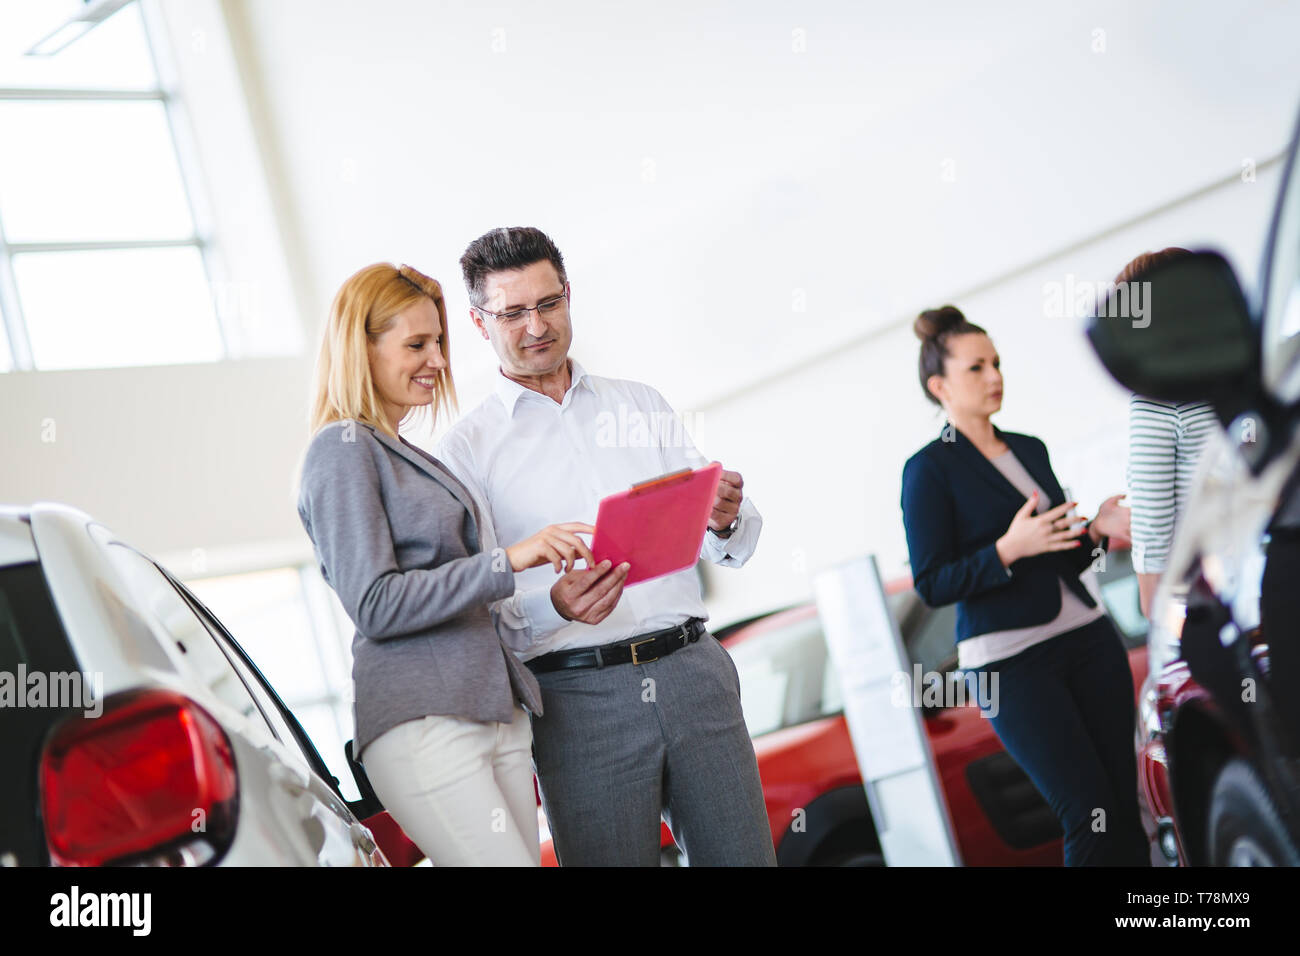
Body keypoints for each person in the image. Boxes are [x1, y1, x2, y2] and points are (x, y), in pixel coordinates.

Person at [435, 226, 776, 866]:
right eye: (513, 313)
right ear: (481, 324)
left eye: (548, 303)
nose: (536, 325)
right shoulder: (466, 451)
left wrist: (724, 518)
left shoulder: (639, 403)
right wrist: (553, 607)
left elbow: (724, 536)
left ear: (568, 295)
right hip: (576, 702)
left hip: (693, 671)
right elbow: (476, 602)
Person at [296, 262, 608, 866]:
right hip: (425, 723)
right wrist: (510, 559)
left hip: (492, 711)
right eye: (416, 344)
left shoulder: (403, 452)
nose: (438, 361)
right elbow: (376, 603)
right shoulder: (340, 451)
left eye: (438, 341)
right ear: (359, 349)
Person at [899, 305, 1148, 866]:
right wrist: (1008, 549)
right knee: (1088, 816)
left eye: (997, 363)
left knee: (1125, 808)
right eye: (976, 368)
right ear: (939, 386)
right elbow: (932, 582)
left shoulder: (1030, 447)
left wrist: (1098, 529)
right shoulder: (927, 471)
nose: (994, 377)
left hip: (1088, 638)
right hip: (1011, 665)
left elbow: (1060, 546)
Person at [1119, 248, 1219, 618]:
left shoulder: (1159, 400)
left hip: (1212, 593)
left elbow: (1152, 521)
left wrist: (1153, 611)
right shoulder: (1245, 372)